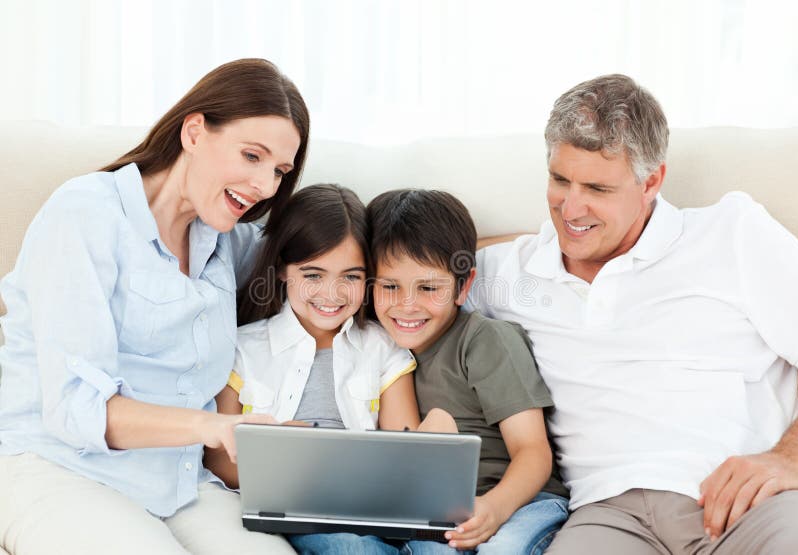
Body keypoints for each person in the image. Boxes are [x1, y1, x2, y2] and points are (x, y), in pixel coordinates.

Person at [468, 74, 798, 554]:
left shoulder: (732, 233)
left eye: (598, 189)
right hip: (606, 518)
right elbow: (415, 271)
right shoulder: (511, 271)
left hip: (744, 506)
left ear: (652, 182)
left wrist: (788, 458)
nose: (570, 207)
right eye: (560, 180)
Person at [0, 58, 309, 555]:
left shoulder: (224, 241)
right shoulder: (85, 213)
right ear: (194, 132)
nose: (265, 186)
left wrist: (459, 257)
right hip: (58, 466)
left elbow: (337, 258)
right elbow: (77, 408)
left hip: (177, 479)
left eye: (279, 171)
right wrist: (216, 428)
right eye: (252, 156)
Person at [207, 184, 455, 554]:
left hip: (372, 506)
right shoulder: (243, 349)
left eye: (351, 277)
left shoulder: (382, 346)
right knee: (348, 547)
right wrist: (278, 470)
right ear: (281, 271)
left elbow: (404, 447)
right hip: (296, 509)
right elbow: (216, 461)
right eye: (313, 275)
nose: (333, 293)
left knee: (439, 548)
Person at [370, 189, 570, 555]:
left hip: (521, 503)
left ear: (464, 286)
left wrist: (494, 507)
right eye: (389, 286)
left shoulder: (484, 340)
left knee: (503, 550)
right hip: (442, 514)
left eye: (429, 287)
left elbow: (532, 451)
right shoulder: (376, 349)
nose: (406, 305)